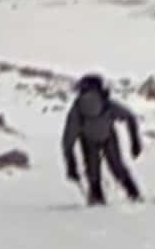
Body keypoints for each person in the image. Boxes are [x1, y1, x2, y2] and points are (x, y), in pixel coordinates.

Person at [63, 73, 146, 206]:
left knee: (93, 172)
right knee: (117, 167)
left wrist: (71, 165)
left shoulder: (77, 110)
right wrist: (135, 142)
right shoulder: (107, 104)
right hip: (108, 137)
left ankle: (97, 199)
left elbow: (68, 141)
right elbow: (130, 117)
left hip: (88, 141)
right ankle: (134, 194)